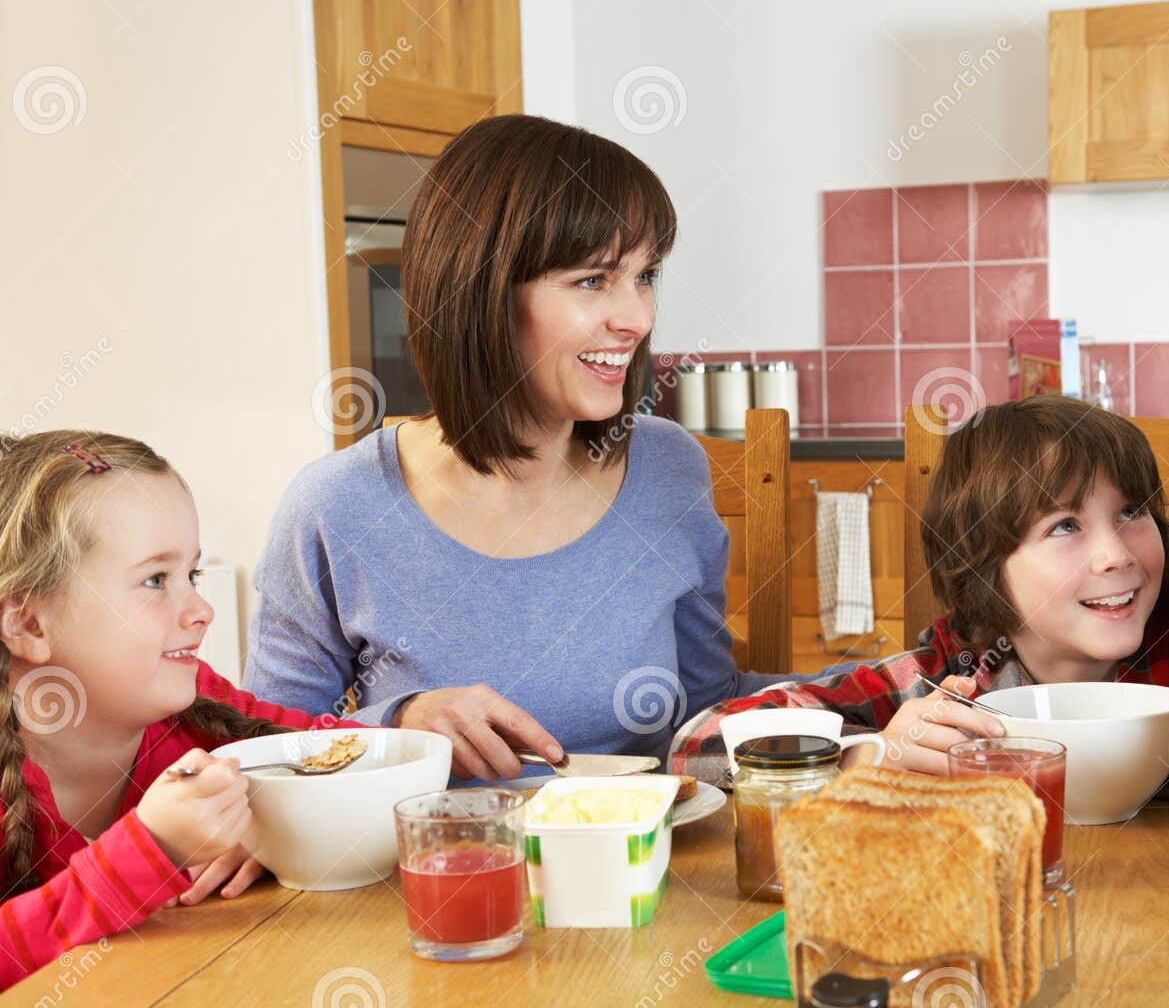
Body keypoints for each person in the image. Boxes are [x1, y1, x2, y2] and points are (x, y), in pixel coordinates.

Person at [247, 115, 786, 781]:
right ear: (484, 294)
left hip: (643, 875)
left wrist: (902, 690)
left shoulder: (669, 469)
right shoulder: (336, 505)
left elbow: (708, 711)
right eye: (594, 280)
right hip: (432, 878)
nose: (639, 318)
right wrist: (400, 722)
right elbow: (265, 752)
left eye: (646, 275)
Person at [672, 395, 1169, 789]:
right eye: (1065, 526)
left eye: (1132, 512)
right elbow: (696, 748)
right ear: (983, 568)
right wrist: (870, 755)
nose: (1116, 555)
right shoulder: (952, 681)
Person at [0, 431, 354, 990]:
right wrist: (152, 850)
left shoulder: (199, 702)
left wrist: (266, 825)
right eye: (155, 580)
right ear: (28, 625)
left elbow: (339, 756)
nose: (203, 609)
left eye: (191, 573)